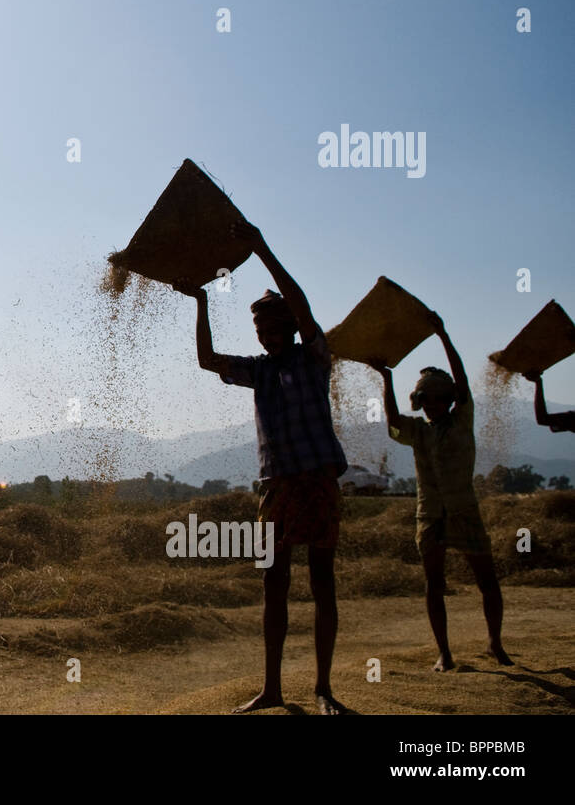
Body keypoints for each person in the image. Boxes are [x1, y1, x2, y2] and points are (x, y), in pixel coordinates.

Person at [174, 219, 349, 715]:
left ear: (292, 328)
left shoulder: (314, 358)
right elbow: (207, 360)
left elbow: (303, 304)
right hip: (277, 490)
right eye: (260, 330)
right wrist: (201, 302)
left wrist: (262, 249)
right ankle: (272, 688)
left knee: (322, 583)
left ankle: (322, 688)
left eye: (275, 328)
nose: (268, 336)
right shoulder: (262, 370)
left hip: (316, 483)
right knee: (274, 587)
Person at [369, 312, 511, 672]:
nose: (431, 403)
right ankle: (444, 652)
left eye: (437, 397)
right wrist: (386, 378)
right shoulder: (419, 431)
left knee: (487, 581)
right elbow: (392, 424)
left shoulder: (463, 419)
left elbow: (462, 380)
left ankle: (495, 642)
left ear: (449, 398)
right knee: (434, 583)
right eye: (425, 398)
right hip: (429, 514)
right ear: (419, 401)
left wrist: (443, 336)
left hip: (464, 510)